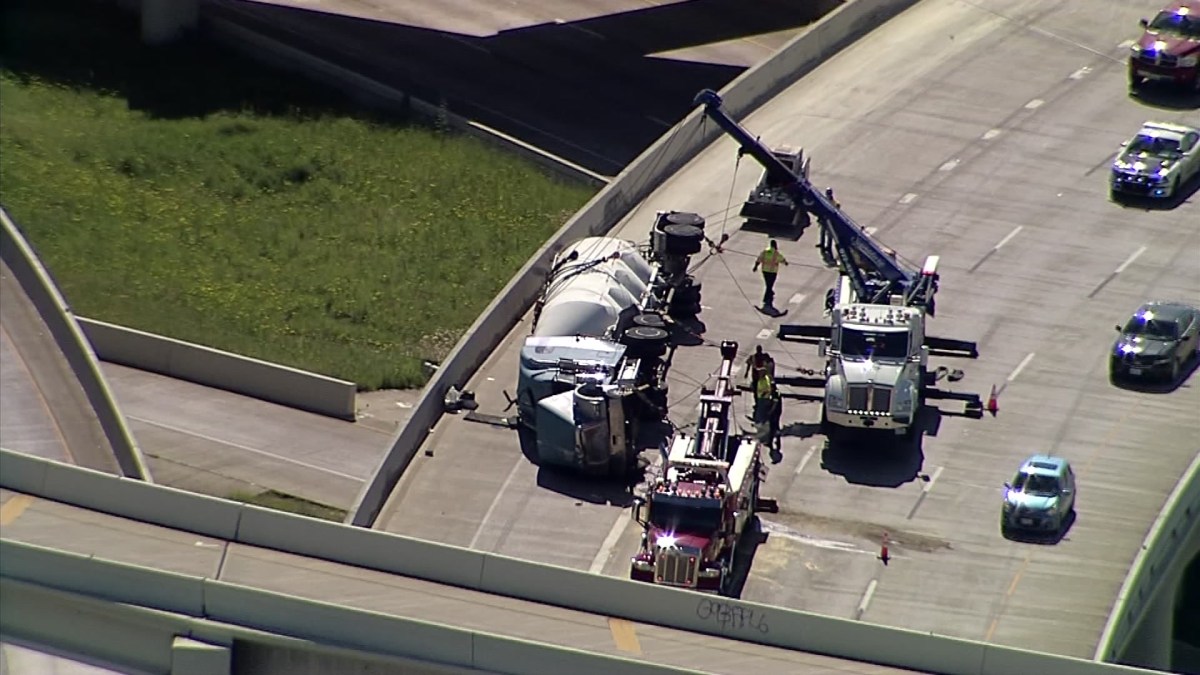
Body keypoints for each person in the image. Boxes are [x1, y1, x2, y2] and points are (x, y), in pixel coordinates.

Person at [752, 239, 788, 308]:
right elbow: (782, 260)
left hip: (765, 271)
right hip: (772, 272)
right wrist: (785, 263)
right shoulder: (776, 253)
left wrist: (755, 267)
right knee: (769, 285)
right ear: (775, 245)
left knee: (768, 284)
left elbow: (759, 259)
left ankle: (770, 293)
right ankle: (765, 298)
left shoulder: (765, 251)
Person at [817, 187, 839, 259]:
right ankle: (822, 244)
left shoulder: (833, 202)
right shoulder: (824, 200)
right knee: (822, 233)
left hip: (830, 221)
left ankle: (828, 247)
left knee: (829, 235)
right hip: (824, 220)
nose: (828, 195)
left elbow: (836, 209)